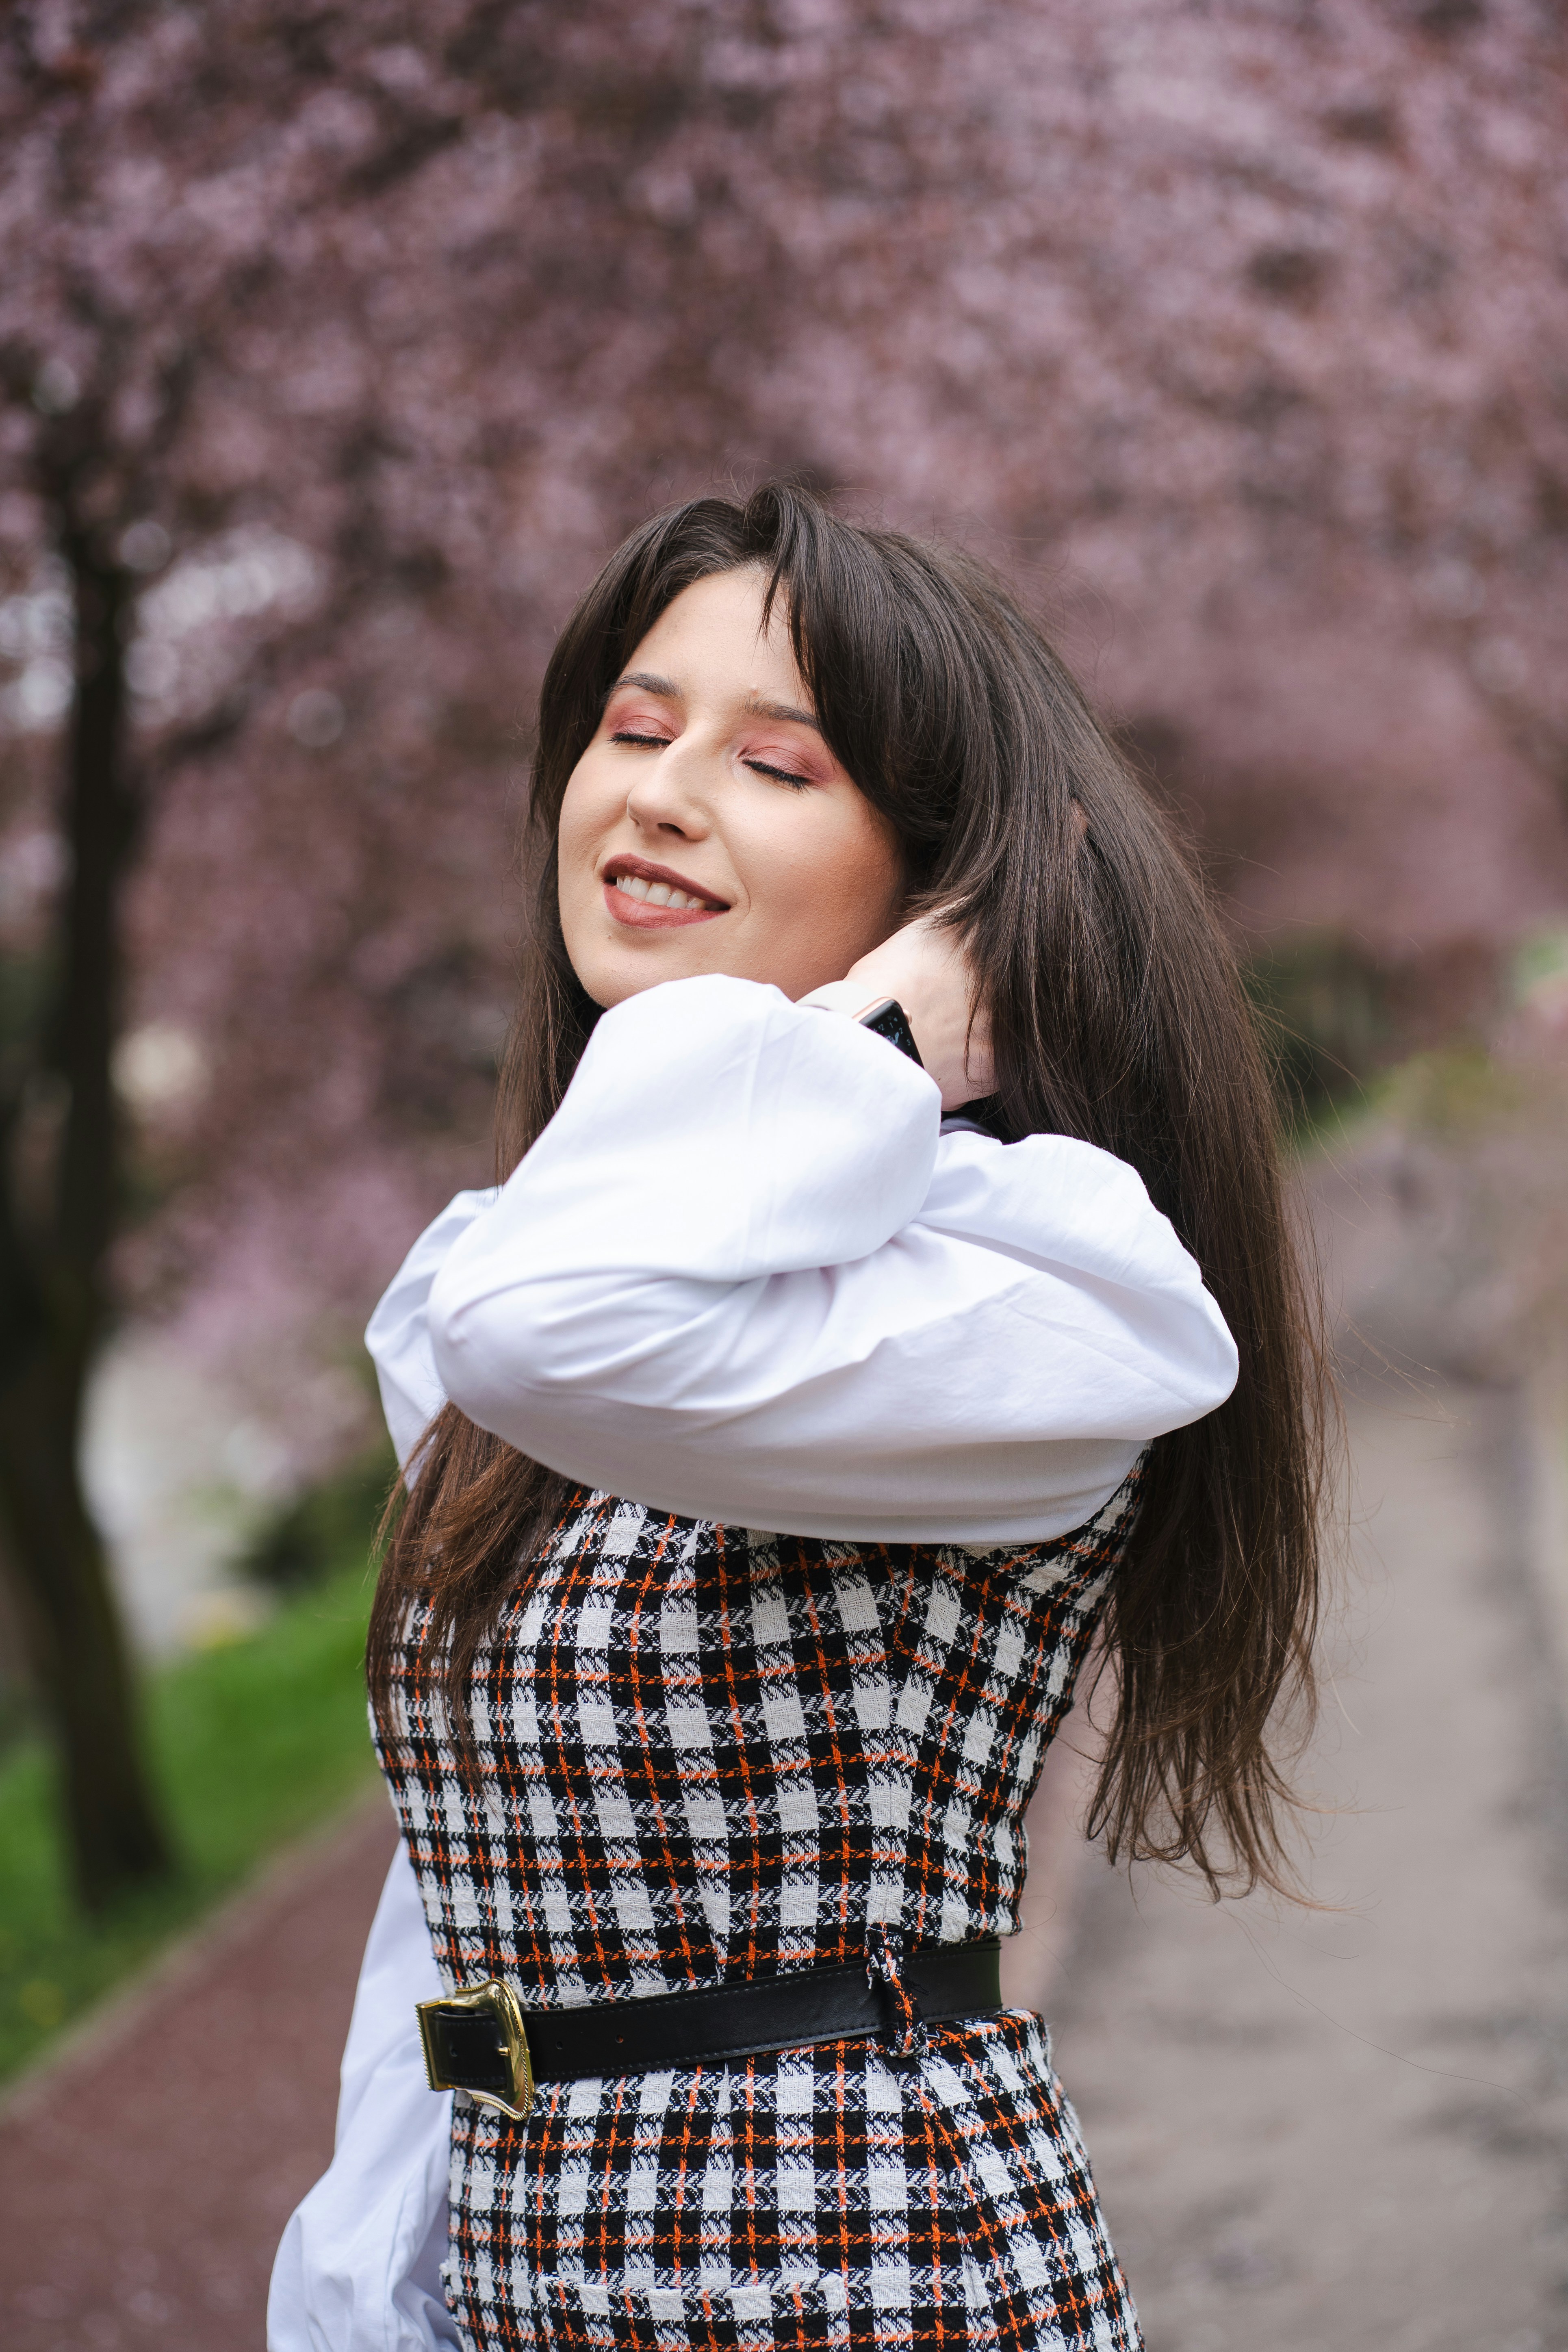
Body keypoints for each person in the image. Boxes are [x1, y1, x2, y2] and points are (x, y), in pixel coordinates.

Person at [269, 486, 1326, 2352]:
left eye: (773, 760)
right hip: (530, 2281)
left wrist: (872, 1048)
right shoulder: (522, 1269)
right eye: (629, 726)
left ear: (942, 882)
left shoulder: (1028, 1267)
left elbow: (545, 1323)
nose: (660, 793)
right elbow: (464, 1913)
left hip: (853, 2267)